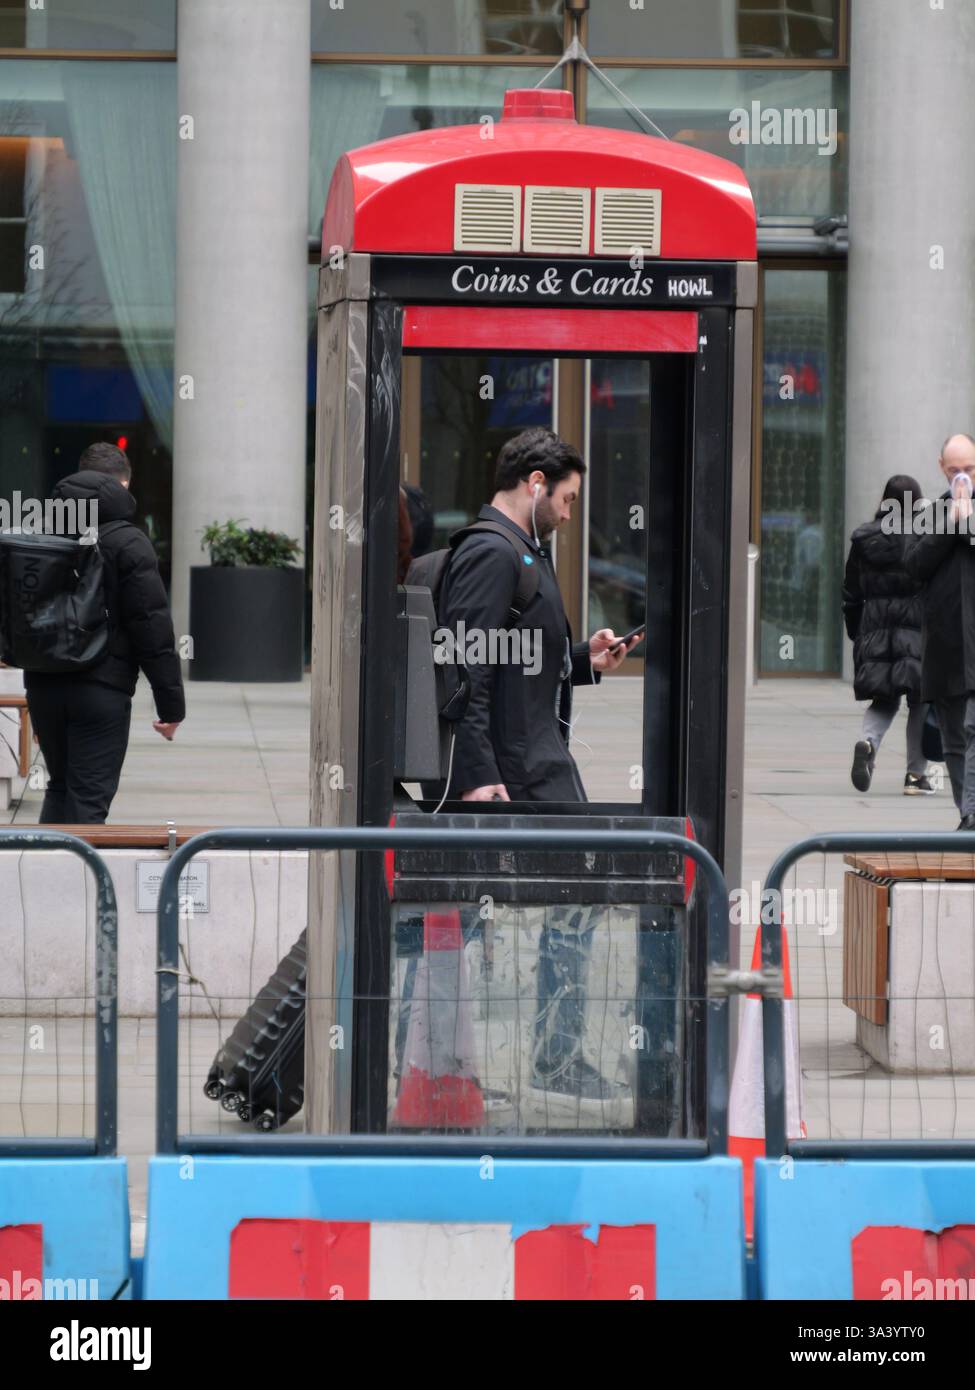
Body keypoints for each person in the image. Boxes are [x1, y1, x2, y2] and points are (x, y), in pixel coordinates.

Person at [435, 427, 643, 1102]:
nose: (568, 511)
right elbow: (462, 669)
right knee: (530, 904)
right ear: (533, 484)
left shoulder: (521, 551)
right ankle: (532, 1060)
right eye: (566, 497)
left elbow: (517, 659)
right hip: (515, 769)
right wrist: (475, 773)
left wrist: (584, 660)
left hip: (529, 758)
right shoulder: (493, 554)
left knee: (534, 906)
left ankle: (497, 1061)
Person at [24, 442, 185, 823]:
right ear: (123, 485)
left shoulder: (40, 533)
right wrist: (171, 707)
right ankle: (78, 882)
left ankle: (42, 880)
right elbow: (152, 626)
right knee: (88, 801)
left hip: (44, 685)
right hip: (101, 688)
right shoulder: (129, 542)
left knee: (60, 787)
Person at [843, 474, 934, 795]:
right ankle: (915, 776)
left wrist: (859, 634)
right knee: (921, 700)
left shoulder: (864, 538)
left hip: (876, 627)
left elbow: (851, 595)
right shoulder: (928, 535)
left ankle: (868, 743)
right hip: (918, 630)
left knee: (884, 698)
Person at [904, 433, 975, 828]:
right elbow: (913, 565)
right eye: (954, 471)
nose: (961, 478)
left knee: (973, 728)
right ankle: (967, 813)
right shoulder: (931, 513)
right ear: (941, 469)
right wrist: (950, 522)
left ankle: (972, 817)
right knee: (953, 740)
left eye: (969, 470)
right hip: (947, 647)